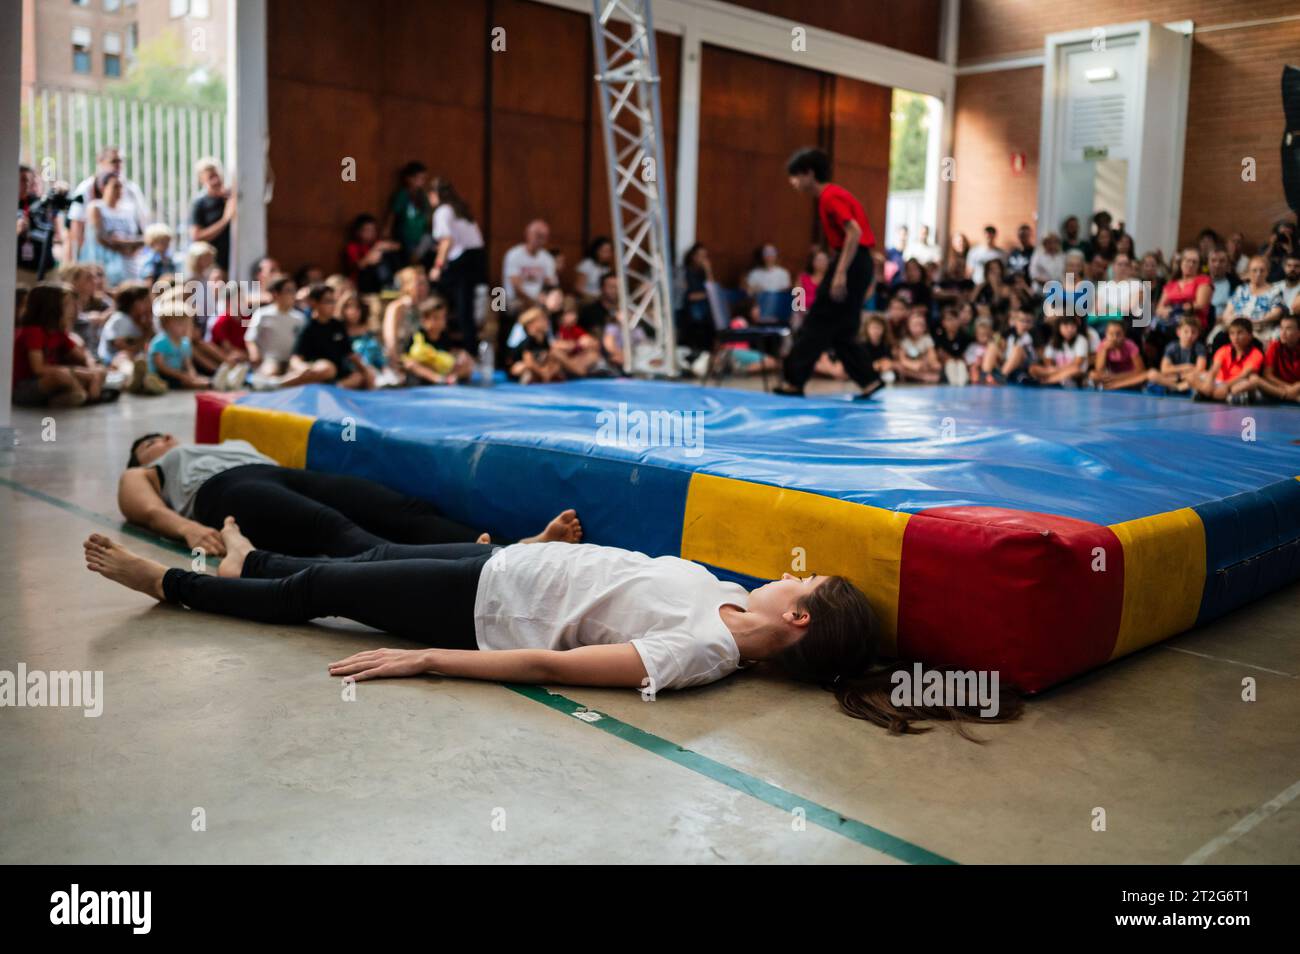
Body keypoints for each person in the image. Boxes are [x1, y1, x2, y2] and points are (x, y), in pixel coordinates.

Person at [83, 524, 1021, 735]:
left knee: (323, 590)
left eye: (801, 579)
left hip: (485, 610)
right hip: (510, 562)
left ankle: (167, 583)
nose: (789, 570)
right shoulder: (733, 600)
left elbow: (550, 660)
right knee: (357, 568)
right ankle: (246, 564)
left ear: (798, 616)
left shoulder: (701, 655)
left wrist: (428, 661)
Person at [114, 433, 584, 559]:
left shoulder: (226, 444)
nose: (159, 441)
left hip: (281, 475)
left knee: (400, 509)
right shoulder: (157, 468)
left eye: (159, 437)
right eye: (147, 443)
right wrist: (189, 528)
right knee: (333, 532)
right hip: (226, 493)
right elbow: (140, 504)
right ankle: (466, 563)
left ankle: (510, 550)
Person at [773, 148, 882, 400]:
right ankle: (868, 380)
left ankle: (793, 381)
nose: (793, 182)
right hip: (858, 261)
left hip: (852, 261)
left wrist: (840, 273)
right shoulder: (832, 196)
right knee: (843, 328)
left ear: (809, 173)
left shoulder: (830, 197)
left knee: (818, 320)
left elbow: (853, 233)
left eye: (795, 176)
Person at [12, 282, 107, 407]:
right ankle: (82, 394)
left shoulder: (58, 334)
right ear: (51, 308)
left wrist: (93, 372)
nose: (73, 310)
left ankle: (72, 396)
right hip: (24, 386)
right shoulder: (34, 332)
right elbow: (38, 369)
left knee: (99, 370)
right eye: (67, 305)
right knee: (61, 375)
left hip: (52, 380)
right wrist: (80, 373)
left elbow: (82, 357)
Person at [427, 178, 486, 348]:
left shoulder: (443, 211)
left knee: (442, 298)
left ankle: (448, 344)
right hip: (476, 259)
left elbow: (447, 241)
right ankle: (468, 346)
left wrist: (437, 267)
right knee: (465, 308)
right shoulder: (460, 210)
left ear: (434, 195)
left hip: (462, 262)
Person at [66, 146, 150, 263]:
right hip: (97, 258)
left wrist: (137, 246)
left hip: (129, 260)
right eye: (114, 161)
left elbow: (142, 224)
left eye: (121, 161)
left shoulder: (132, 189)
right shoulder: (86, 189)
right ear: (100, 162)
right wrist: (72, 260)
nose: (118, 165)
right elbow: (76, 228)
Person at [293, 283, 373, 389]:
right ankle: (280, 385)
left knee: (358, 377)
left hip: (339, 374)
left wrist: (366, 370)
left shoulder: (338, 325)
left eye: (333, 301)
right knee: (328, 368)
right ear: (314, 303)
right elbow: (296, 358)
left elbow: (350, 354)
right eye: (328, 301)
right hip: (318, 371)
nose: (333, 305)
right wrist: (304, 368)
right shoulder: (308, 327)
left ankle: (334, 388)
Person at [82, 172, 143, 286]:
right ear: (103, 187)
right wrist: (126, 244)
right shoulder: (96, 207)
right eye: (115, 186)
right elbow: (102, 238)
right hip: (106, 267)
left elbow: (142, 237)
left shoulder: (129, 209)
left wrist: (123, 242)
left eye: (121, 186)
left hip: (130, 266)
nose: (119, 190)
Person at [244, 275, 306, 386]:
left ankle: (274, 384)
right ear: (276, 294)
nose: (293, 295)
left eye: (293, 290)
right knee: (270, 372)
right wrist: (255, 354)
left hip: (292, 361)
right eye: (288, 291)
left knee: (304, 373)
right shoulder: (262, 314)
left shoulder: (300, 318)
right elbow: (250, 338)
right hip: (270, 359)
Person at [1194, 317, 1264, 404]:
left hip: (1236, 383)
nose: (1235, 337)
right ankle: (1224, 396)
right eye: (1232, 333)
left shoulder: (1256, 354)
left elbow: (1244, 375)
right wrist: (1209, 382)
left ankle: (1208, 395)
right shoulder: (1223, 349)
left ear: (1250, 335)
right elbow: (1214, 369)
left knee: (1251, 382)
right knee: (1192, 377)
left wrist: (1226, 386)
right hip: (1219, 383)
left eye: (1240, 333)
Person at [148, 299, 210, 390]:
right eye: (180, 324)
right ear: (165, 325)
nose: (185, 327)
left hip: (178, 374)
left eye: (187, 324)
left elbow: (188, 364)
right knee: (179, 381)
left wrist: (191, 374)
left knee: (194, 378)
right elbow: (160, 366)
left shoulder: (185, 343)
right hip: (162, 374)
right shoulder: (160, 342)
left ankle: (200, 382)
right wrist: (180, 375)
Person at [189, 157, 235, 272]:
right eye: (210, 178)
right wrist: (224, 220)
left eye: (217, 175)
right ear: (202, 180)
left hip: (233, 260)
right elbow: (197, 236)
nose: (216, 181)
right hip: (213, 266)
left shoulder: (231, 197)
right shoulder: (200, 203)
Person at [502, 220, 558, 312]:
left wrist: (549, 298)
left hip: (540, 300)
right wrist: (533, 301)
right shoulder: (514, 255)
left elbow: (550, 284)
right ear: (527, 234)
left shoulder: (547, 259)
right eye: (538, 235)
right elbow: (516, 287)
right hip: (515, 300)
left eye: (544, 237)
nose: (540, 239)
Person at [385, 161, 432, 265]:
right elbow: (393, 213)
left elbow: (427, 214)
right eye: (419, 179)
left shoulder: (423, 196)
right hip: (406, 236)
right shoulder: (403, 195)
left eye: (423, 179)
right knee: (409, 260)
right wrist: (387, 229)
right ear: (409, 178)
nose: (421, 182)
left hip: (420, 235)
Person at [1146, 316, 1207, 393]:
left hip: (1190, 379)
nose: (1189, 335)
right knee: (1152, 374)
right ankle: (1178, 387)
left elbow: (1200, 369)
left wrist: (1180, 372)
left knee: (1204, 376)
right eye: (1186, 331)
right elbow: (1164, 369)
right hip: (1174, 378)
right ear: (1178, 332)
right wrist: (1186, 367)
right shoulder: (1172, 347)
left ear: (1198, 334)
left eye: (1193, 332)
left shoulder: (1199, 347)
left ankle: (1176, 388)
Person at [343, 213, 401, 294]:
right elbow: (359, 266)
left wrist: (382, 247)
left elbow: (397, 246)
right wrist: (373, 253)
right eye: (367, 230)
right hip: (361, 281)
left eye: (373, 230)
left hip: (378, 280)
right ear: (358, 232)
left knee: (387, 256)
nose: (371, 233)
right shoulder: (352, 247)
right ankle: (389, 290)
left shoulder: (375, 243)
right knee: (378, 259)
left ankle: (391, 288)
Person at [1249, 313, 1300, 403]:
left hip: (1298, 387)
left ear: (1299, 332)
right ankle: (1290, 397)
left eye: (1288, 328)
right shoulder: (1275, 346)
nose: (1283, 332)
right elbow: (1268, 375)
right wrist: (1288, 389)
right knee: (1254, 379)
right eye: (1281, 328)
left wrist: (1295, 388)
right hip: (1281, 387)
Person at [1032, 313, 1089, 387]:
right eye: (1066, 326)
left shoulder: (1081, 340)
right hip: (1057, 371)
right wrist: (1054, 369)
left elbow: (1077, 363)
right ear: (1059, 327)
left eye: (1072, 326)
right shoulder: (1053, 340)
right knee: (1033, 368)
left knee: (1075, 369)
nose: (1069, 329)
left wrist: (1057, 370)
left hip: (1073, 374)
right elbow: (1047, 360)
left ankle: (1047, 381)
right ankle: (1055, 380)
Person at [1089, 320, 1147, 390]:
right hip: (1112, 378)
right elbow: (1099, 370)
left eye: (1118, 334)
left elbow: (1140, 370)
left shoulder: (1130, 345)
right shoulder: (1103, 345)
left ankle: (1116, 386)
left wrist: (1116, 377)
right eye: (1111, 334)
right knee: (1093, 375)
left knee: (1143, 376)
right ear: (1106, 334)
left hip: (1129, 377)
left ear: (1124, 334)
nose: (1114, 337)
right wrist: (1104, 350)